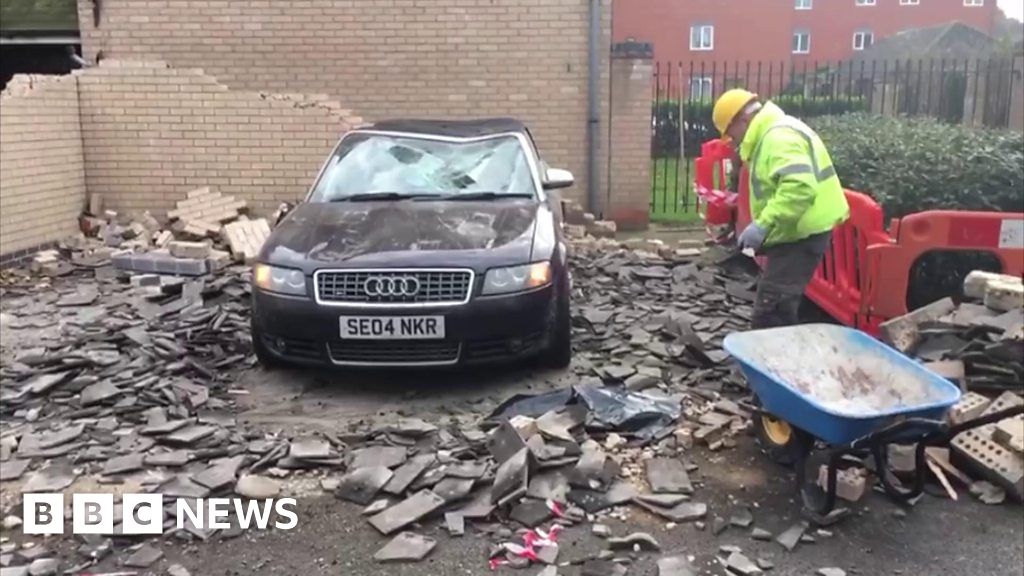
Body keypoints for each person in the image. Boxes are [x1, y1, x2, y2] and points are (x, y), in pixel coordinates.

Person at [711, 89, 850, 329]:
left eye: (730, 133)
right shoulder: (773, 133)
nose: (732, 140)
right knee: (777, 303)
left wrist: (763, 224)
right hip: (797, 231)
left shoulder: (777, 138)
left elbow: (799, 188)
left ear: (742, 120)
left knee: (772, 311)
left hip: (802, 235)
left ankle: (773, 363)